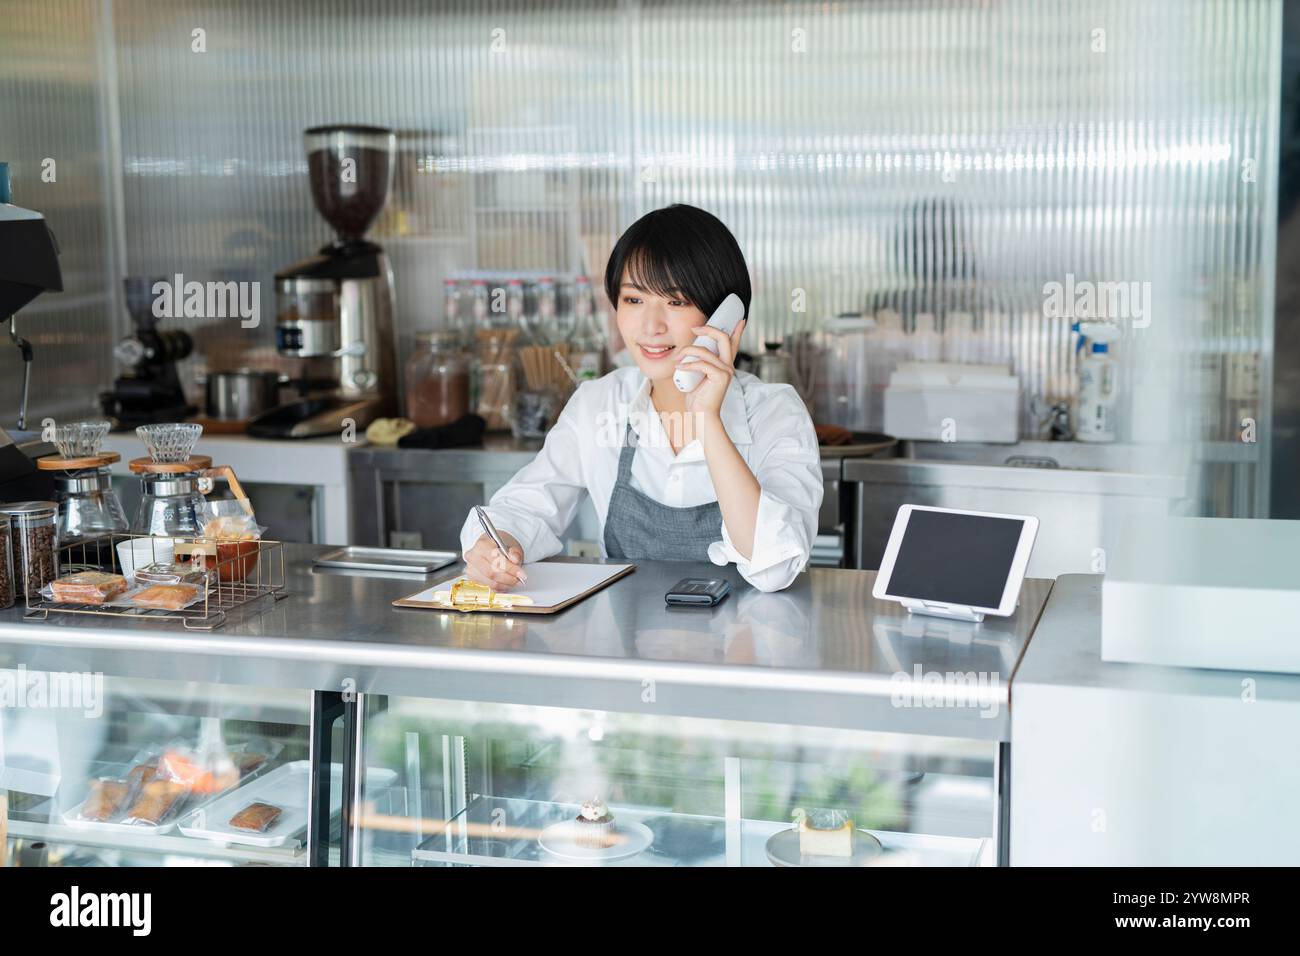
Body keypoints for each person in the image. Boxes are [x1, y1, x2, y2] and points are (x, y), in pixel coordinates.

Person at [459, 203, 822, 593]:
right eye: (634, 300)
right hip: (624, 648)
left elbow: (774, 568)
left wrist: (708, 420)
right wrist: (498, 548)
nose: (651, 326)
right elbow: (525, 507)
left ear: (726, 317)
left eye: (676, 301)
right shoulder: (598, 403)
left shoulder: (775, 412)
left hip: (744, 645)